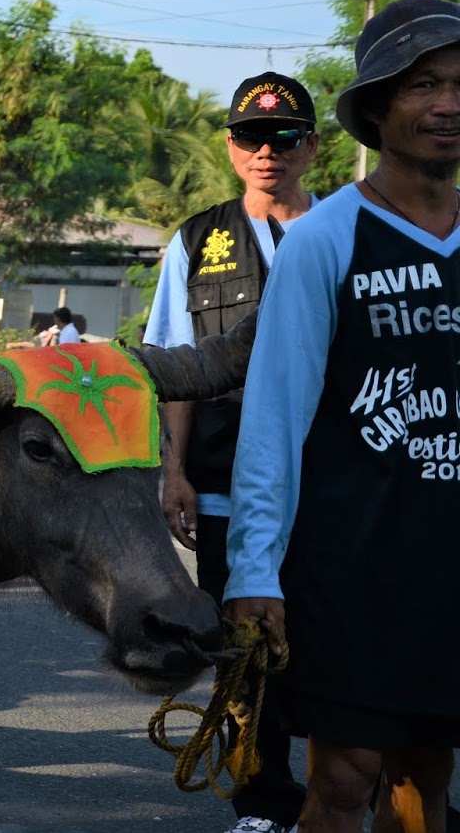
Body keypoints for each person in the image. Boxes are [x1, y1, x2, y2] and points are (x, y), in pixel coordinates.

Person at [227, 0, 460, 832]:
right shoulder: (327, 240)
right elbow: (275, 418)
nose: (447, 104)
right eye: (423, 83)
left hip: (450, 558)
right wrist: (254, 569)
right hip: (351, 561)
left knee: (430, 772)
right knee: (344, 780)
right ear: (377, 108)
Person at [145, 70, 319, 833]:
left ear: (312, 147)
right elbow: (175, 365)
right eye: (251, 137)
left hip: (336, 479)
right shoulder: (195, 240)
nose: (267, 151)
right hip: (223, 480)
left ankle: (373, 788)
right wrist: (173, 470)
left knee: (342, 633)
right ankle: (264, 802)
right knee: (245, 644)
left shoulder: (346, 229)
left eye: (284, 137)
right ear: (229, 147)